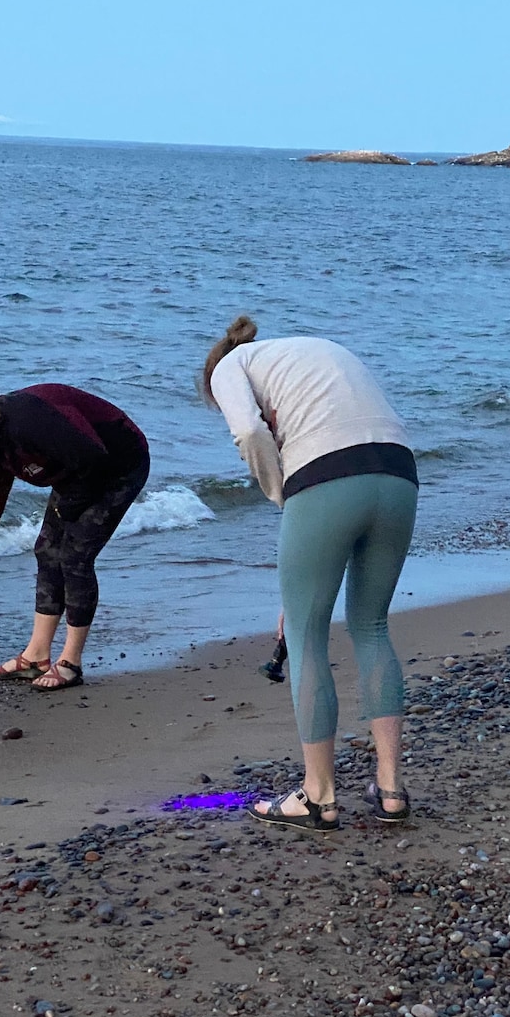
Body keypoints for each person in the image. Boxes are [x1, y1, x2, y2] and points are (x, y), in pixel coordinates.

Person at [202, 316, 418, 830]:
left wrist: (286, 499)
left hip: (325, 478)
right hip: (399, 472)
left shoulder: (227, 367)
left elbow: (251, 431)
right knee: (370, 624)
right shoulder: (312, 349)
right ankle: (390, 788)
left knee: (305, 634)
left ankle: (319, 796)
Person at [0, 382, 150, 690]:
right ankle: (36, 657)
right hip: (78, 472)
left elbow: (92, 457)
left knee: (75, 555)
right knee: (47, 550)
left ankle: (71, 663)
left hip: (118, 464)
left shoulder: (30, 421)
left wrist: (67, 511)